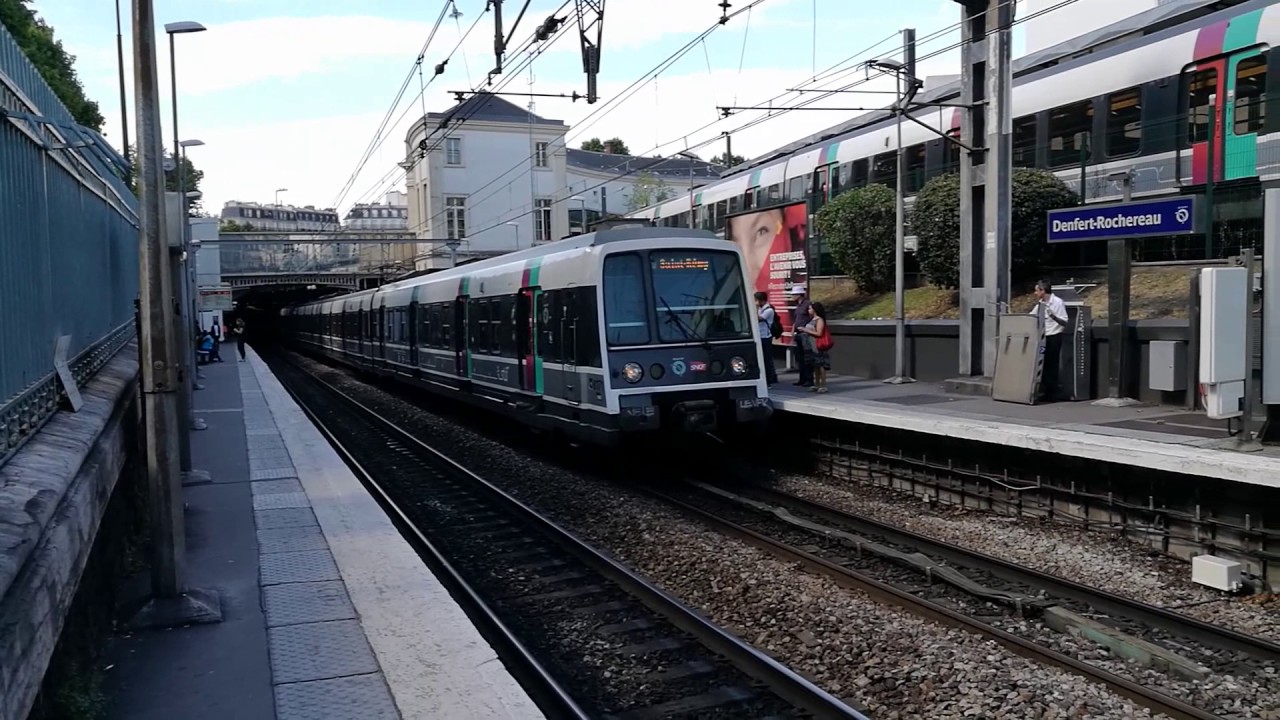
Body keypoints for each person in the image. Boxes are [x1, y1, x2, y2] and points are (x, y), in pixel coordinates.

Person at [1031, 280, 1069, 403]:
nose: (1035, 293)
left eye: (1037, 290)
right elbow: (1031, 316)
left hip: (1054, 336)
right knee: (1043, 364)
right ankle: (1044, 391)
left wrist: (1053, 316)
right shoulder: (1040, 304)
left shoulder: (1057, 302)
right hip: (1043, 337)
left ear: (1043, 291)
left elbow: (1064, 322)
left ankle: (1052, 393)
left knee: (1052, 364)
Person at [793, 301, 831, 393]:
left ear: (815, 310)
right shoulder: (812, 319)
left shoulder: (819, 320)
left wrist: (805, 330)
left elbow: (819, 333)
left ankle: (823, 385)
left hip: (818, 344)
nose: (808, 310)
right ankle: (817, 384)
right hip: (811, 344)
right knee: (815, 365)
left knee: (821, 365)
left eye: (810, 308)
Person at [754, 291, 779, 385]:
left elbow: (758, 318)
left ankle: (769, 379)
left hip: (765, 336)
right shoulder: (761, 308)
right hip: (759, 336)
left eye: (756, 300)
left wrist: (756, 308)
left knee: (766, 359)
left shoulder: (769, 310)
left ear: (761, 300)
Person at [789, 286, 812, 387]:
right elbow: (796, 319)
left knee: (806, 357)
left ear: (799, 295)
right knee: (800, 357)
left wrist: (807, 328)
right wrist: (793, 329)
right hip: (798, 333)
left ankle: (809, 379)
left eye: (794, 294)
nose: (792, 296)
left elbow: (812, 317)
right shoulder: (798, 306)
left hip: (805, 333)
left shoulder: (808, 304)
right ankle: (802, 379)